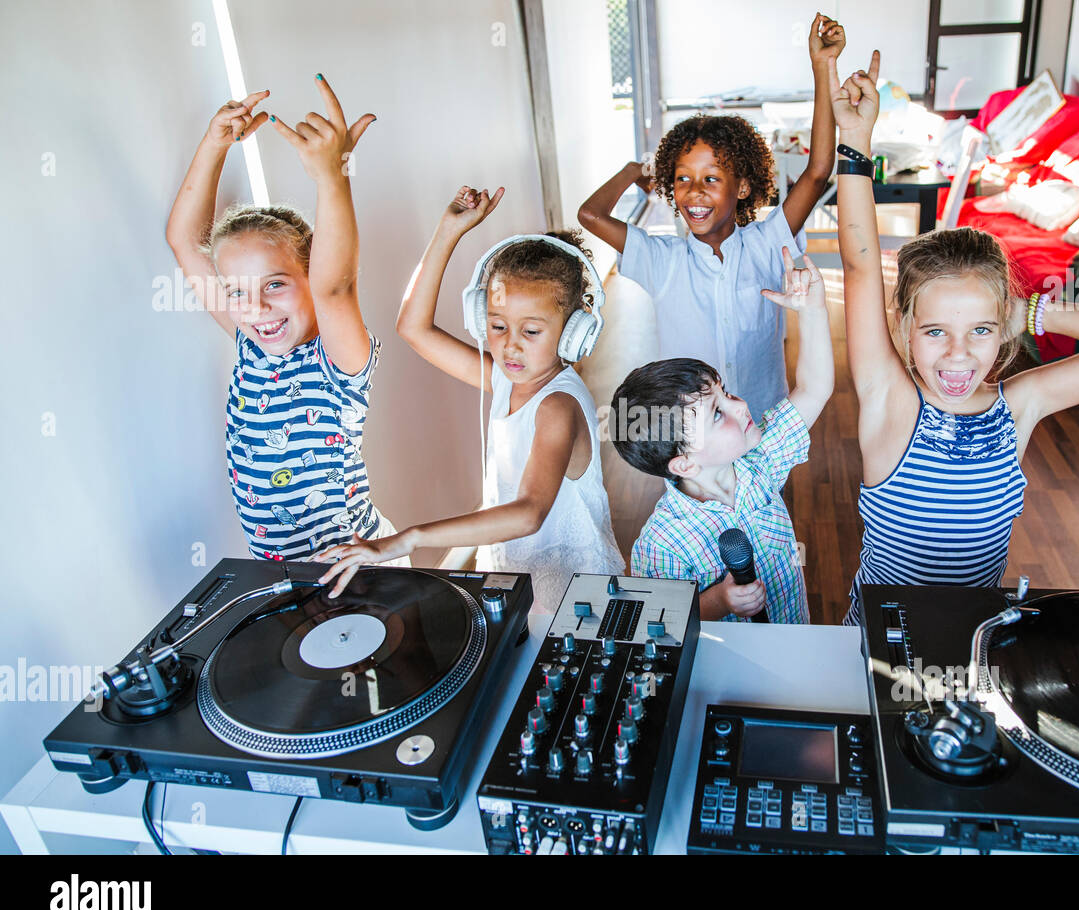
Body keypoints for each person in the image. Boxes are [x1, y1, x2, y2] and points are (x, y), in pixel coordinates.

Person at [830, 53, 1079, 621]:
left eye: (980, 330)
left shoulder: (1021, 406)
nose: (959, 353)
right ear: (904, 327)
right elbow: (862, 264)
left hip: (973, 643)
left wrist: (1031, 313)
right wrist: (856, 144)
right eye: (935, 331)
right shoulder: (892, 400)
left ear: (1002, 326)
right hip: (879, 645)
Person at [315, 187, 624, 612]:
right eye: (497, 326)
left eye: (531, 331)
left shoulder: (557, 406)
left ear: (574, 331)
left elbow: (529, 512)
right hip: (521, 577)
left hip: (576, 595)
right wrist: (448, 231)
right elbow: (413, 328)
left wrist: (409, 538)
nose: (510, 346)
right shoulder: (505, 380)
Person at [165, 77, 405, 563]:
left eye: (275, 284)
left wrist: (332, 179)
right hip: (286, 574)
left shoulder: (338, 361)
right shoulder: (250, 345)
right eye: (236, 291)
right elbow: (185, 243)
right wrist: (216, 143)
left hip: (359, 567)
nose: (255, 308)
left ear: (311, 271)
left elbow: (335, 287)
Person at [578, 13, 845, 418]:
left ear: (742, 187)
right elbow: (590, 215)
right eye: (682, 178)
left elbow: (818, 170)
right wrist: (634, 170)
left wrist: (823, 67)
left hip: (763, 424)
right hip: (694, 436)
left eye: (712, 178)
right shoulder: (661, 260)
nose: (694, 191)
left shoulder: (769, 244)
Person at [610, 248, 834, 623]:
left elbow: (814, 389)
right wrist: (719, 601)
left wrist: (812, 312)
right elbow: (661, 620)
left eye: (725, 393)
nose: (740, 405)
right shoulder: (664, 542)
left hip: (796, 634)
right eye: (717, 413)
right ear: (683, 462)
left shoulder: (760, 465)